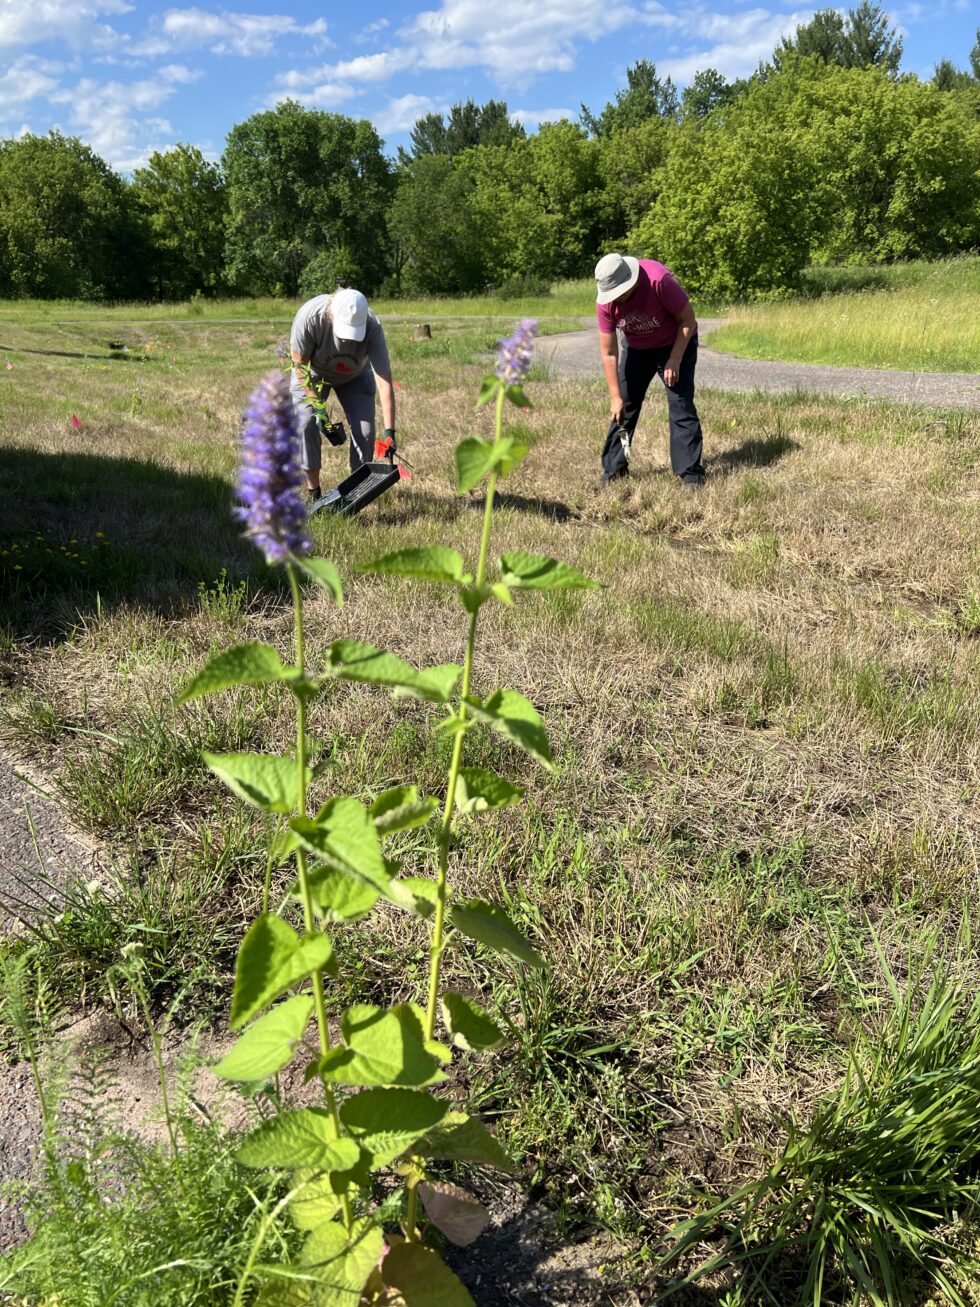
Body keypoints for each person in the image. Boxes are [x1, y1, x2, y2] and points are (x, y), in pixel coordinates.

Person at [594, 252, 705, 489]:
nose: (618, 299)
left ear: (630, 281)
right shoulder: (605, 304)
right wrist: (615, 397)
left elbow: (688, 320)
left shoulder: (657, 280)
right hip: (637, 349)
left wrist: (675, 360)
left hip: (675, 343)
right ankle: (615, 469)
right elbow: (609, 352)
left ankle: (690, 474)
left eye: (621, 292)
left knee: (680, 404)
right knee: (623, 409)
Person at [289, 286, 397, 503]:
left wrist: (390, 431)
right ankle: (314, 493)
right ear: (331, 315)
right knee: (306, 422)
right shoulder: (311, 317)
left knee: (365, 433)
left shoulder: (373, 326)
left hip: (355, 376)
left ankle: (354, 495)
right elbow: (299, 366)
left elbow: (384, 382)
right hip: (314, 374)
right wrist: (318, 409)